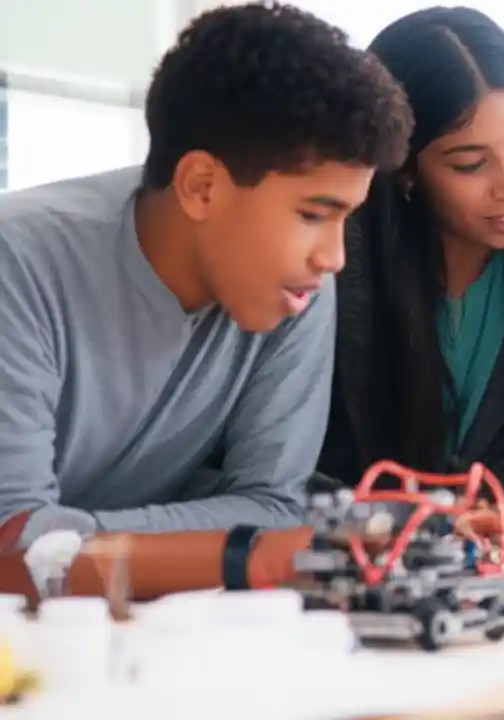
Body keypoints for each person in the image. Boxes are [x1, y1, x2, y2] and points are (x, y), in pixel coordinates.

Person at [0, 2, 413, 551]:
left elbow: (272, 506)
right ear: (201, 187)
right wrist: (248, 555)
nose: (333, 256)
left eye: (346, 217)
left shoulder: (299, 288)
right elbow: (13, 538)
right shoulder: (19, 261)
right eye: (313, 215)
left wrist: (68, 541)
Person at [318, 7, 504, 536]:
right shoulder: (334, 261)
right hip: (350, 567)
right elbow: (298, 468)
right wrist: (426, 526)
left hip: (488, 571)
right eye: (470, 164)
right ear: (403, 168)